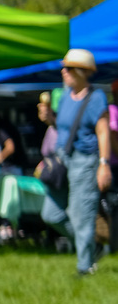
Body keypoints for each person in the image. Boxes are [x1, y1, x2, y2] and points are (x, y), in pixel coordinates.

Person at [40, 48, 112, 277]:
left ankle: (85, 268)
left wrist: (104, 164)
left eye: (68, 68)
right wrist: (48, 118)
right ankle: (92, 247)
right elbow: (62, 128)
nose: (63, 72)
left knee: (83, 215)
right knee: (51, 214)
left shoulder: (96, 98)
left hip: (85, 161)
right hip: (62, 159)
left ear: (82, 72)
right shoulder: (65, 96)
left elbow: (103, 133)